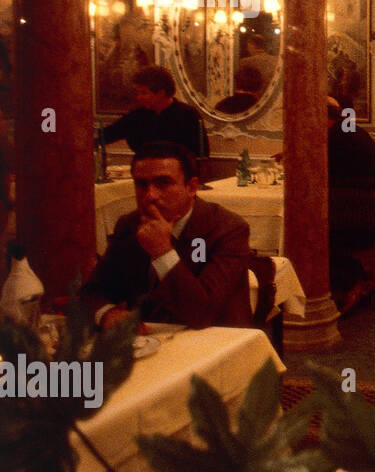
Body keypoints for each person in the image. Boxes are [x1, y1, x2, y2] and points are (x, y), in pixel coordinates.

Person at [83, 141, 251, 330]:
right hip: (146, 340)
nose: (150, 195)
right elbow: (92, 291)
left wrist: (162, 252)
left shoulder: (226, 229)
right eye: (141, 184)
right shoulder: (129, 224)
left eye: (163, 183)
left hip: (216, 343)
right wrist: (107, 313)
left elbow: (202, 314)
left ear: (192, 187)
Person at [327, 97, 375, 314]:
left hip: (370, 222)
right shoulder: (349, 131)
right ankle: (359, 279)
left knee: (314, 237)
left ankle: (352, 283)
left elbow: (323, 177)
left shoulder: (337, 137)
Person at [101, 65, 208, 159]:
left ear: (161, 93)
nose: (139, 97)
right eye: (138, 92)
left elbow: (200, 154)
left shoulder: (188, 115)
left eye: (144, 93)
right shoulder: (136, 116)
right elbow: (105, 136)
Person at [236, 33, 277, 97]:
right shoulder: (275, 60)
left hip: (252, 100)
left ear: (251, 45)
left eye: (248, 46)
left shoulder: (245, 62)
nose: (247, 49)